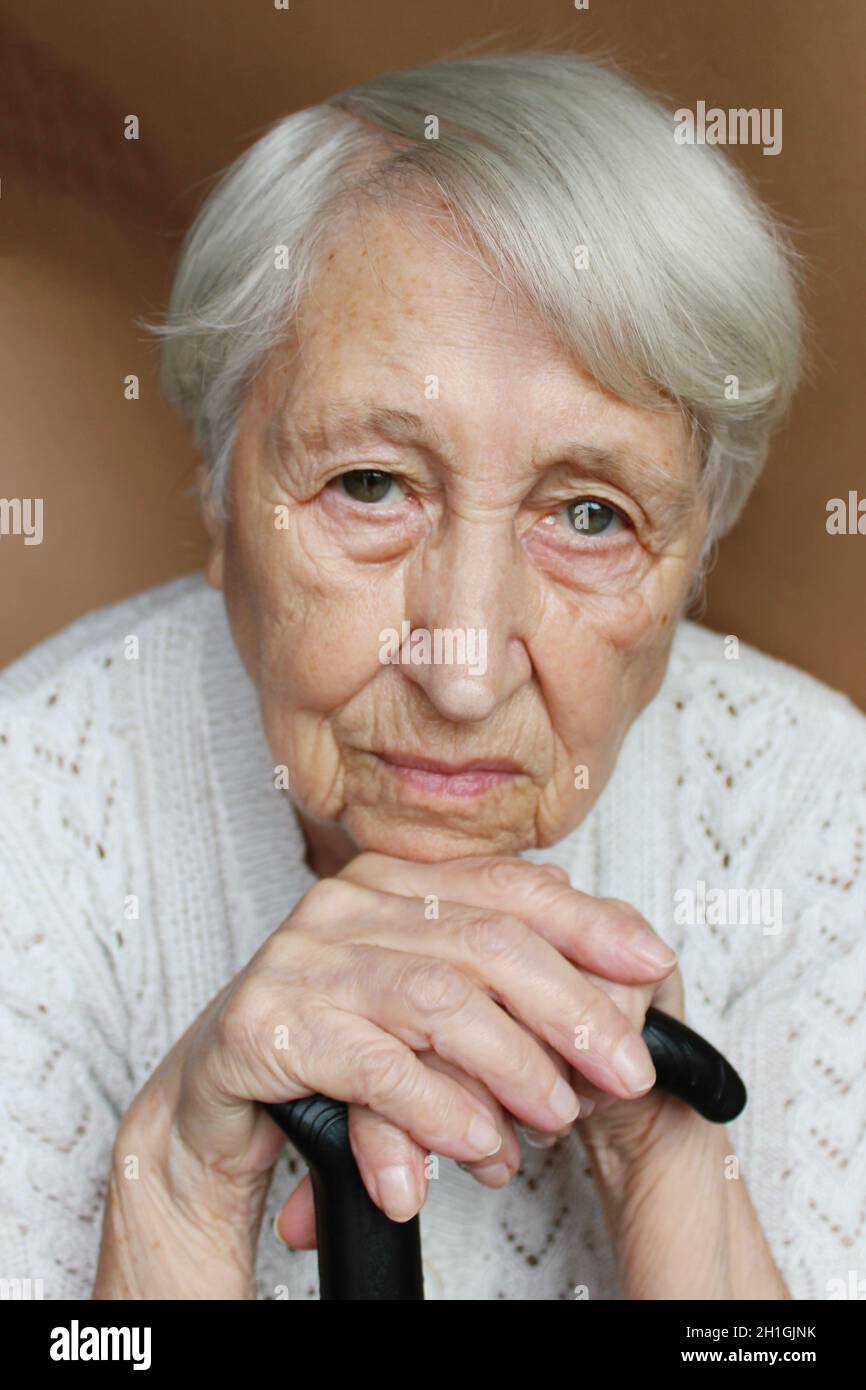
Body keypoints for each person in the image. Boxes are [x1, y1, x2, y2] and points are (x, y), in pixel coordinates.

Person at [1, 50, 864, 1302]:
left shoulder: (819, 819)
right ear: (215, 491)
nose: (461, 672)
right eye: (369, 487)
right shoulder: (25, 836)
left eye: (588, 516)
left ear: (692, 553)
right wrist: (172, 1195)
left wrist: (677, 1178)